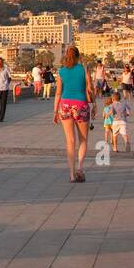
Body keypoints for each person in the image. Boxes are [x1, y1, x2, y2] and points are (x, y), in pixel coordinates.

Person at [52, 45, 93, 183]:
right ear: (78, 56)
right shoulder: (84, 69)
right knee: (83, 139)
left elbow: (58, 93)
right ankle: (80, 168)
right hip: (81, 105)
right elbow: (90, 89)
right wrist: (95, 105)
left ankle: (71, 174)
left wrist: (55, 111)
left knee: (70, 141)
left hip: (65, 105)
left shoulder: (61, 72)